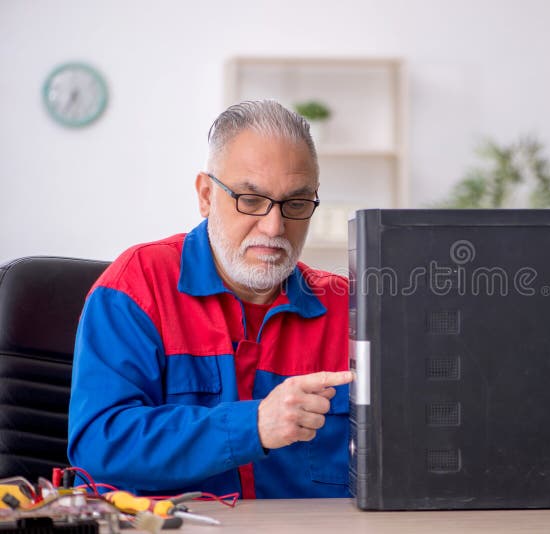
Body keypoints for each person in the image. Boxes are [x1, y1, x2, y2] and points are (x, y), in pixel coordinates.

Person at [68, 100, 354, 499]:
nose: (275, 226)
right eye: (250, 200)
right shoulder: (136, 287)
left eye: (296, 204)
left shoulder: (350, 309)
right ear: (205, 195)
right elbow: (99, 447)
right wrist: (253, 426)